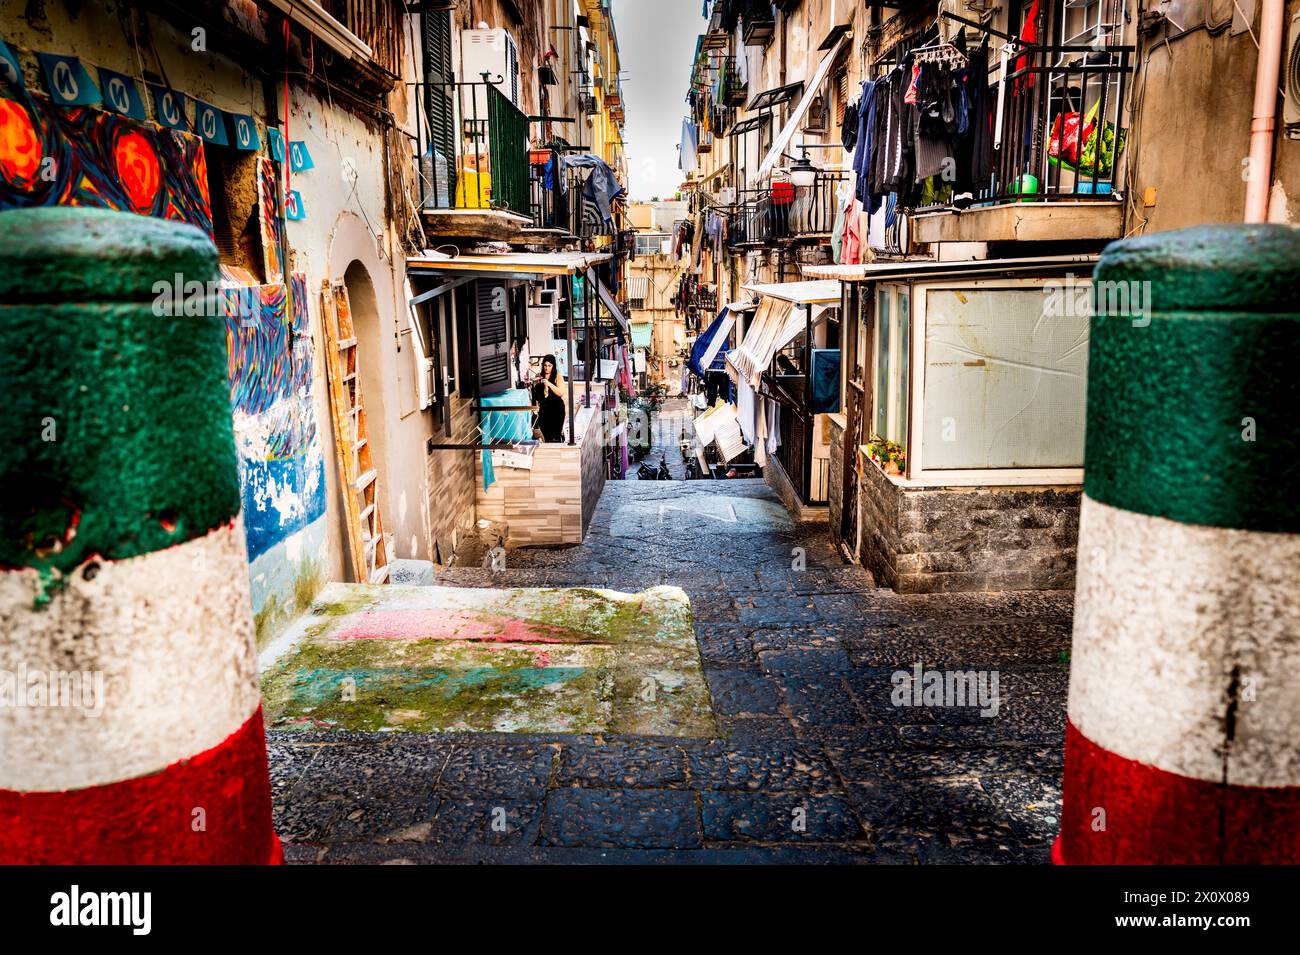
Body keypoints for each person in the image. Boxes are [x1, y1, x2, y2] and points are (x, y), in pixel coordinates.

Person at [531, 354, 566, 443]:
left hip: (556, 410)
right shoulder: (539, 376)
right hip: (544, 411)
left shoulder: (558, 376)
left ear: (553, 366)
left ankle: (559, 439)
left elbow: (560, 392)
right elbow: (536, 395)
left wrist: (549, 384)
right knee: (547, 437)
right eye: (545, 365)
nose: (547, 368)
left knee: (555, 436)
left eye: (549, 366)